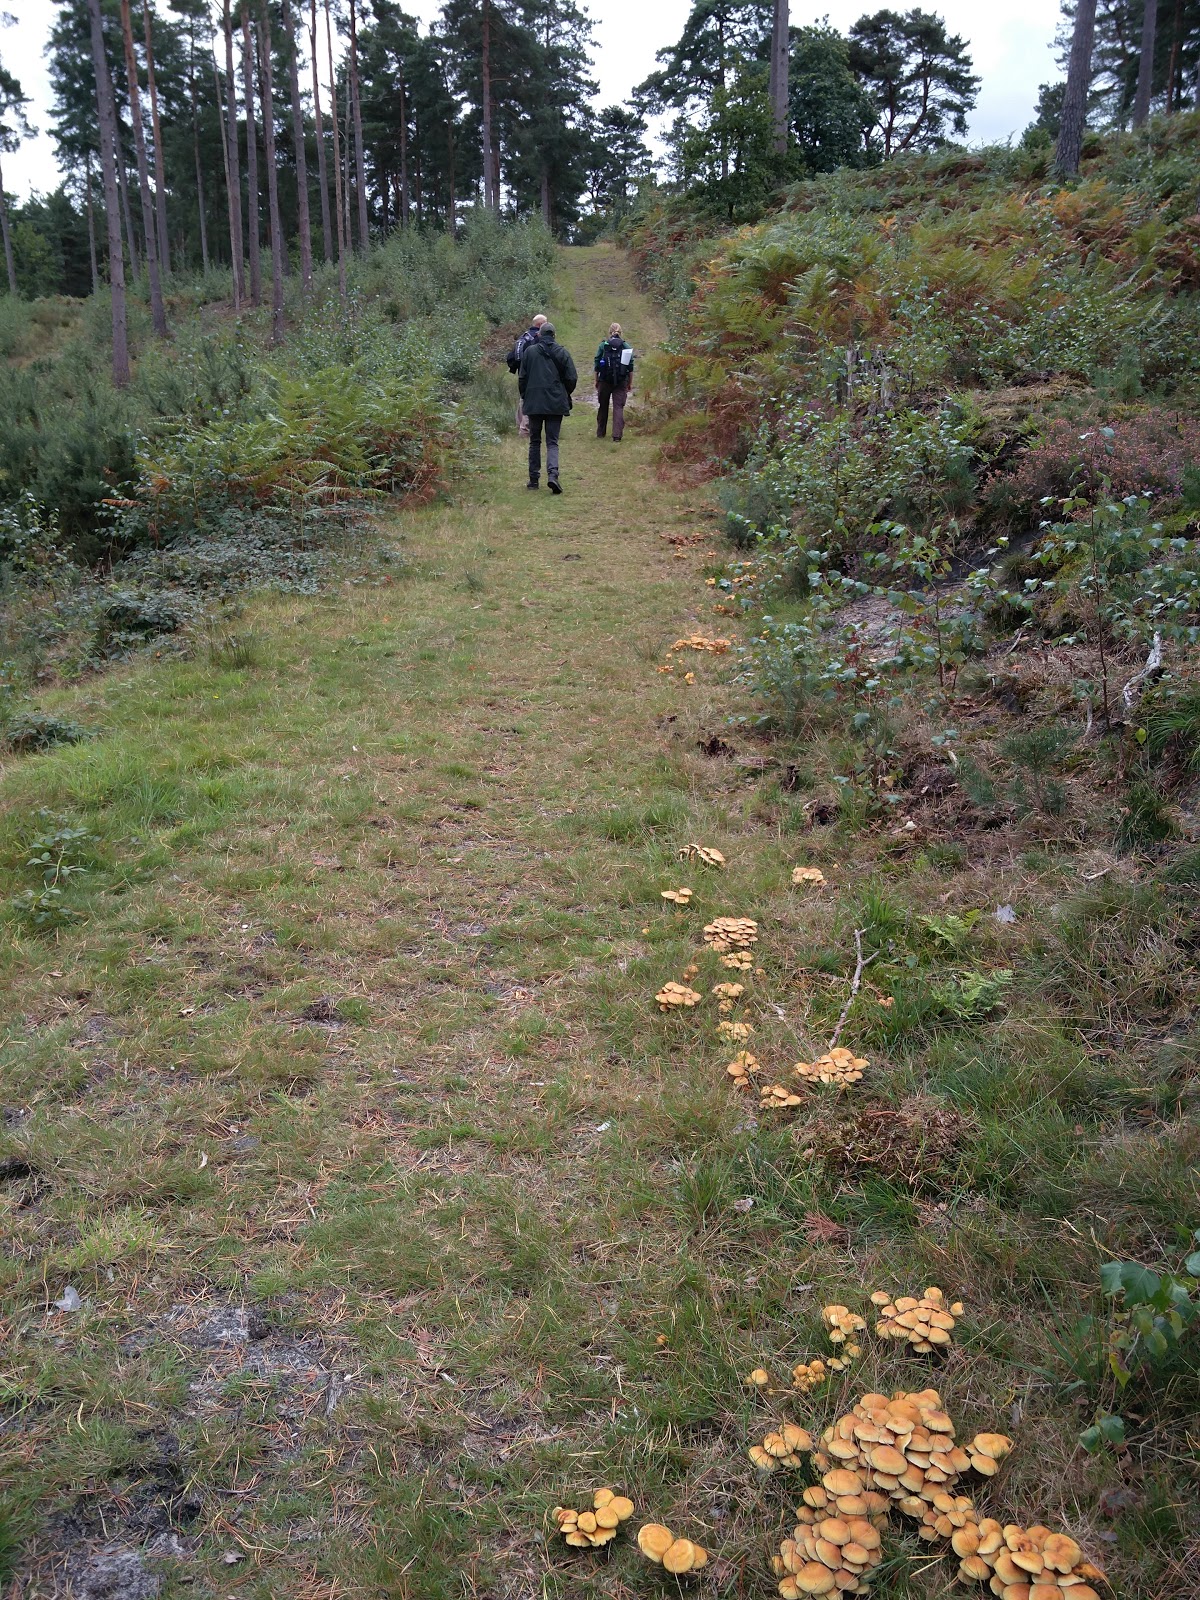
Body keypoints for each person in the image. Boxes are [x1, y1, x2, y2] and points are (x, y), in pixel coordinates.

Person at [519, 321, 577, 494]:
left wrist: (526, 396)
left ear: (539, 334)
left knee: (534, 441)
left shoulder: (529, 352)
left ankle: (533, 479)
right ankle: (553, 475)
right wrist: (563, 392)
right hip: (555, 403)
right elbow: (572, 378)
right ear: (554, 335)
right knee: (552, 442)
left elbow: (522, 378)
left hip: (534, 403)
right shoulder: (562, 352)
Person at [507, 313, 547, 437]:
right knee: (530, 400)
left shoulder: (523, 337)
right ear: (540, 324)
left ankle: (520, 424)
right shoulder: (537, 338)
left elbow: (512, 357)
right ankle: (525, 430)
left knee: (523, 397)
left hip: (522, 373)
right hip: (533, 373)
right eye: (546, 323)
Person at [594, 323, 634, 442]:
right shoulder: (626, 346)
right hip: (621, 381)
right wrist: (629, 383)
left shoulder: (603, 345)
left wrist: (596, 380)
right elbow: (630, 367)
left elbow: (597, 363)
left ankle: (601, 432)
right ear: (621, 332)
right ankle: (617, 435)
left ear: (609, 332)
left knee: (603, 406)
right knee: (618, 407)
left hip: (604, 380)